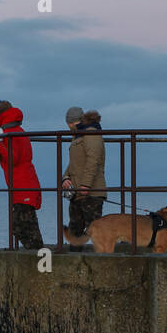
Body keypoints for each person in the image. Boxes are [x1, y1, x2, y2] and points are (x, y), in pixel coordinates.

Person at [0, 99, 44, 251]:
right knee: (25, 225)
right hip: (23, 185)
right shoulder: (16, 131)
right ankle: (37, 256)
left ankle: (38, 256)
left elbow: (13, 159)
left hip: (23, 185)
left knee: (22, 226)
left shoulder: (10, 133)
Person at [61, 107, 107, 249]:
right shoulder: (79, 135)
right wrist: (65, 177)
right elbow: (74, 163)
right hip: (78, 191)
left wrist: (86, 185)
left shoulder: (91, 134)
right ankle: (74, 260)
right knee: (75, 228)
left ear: (71, 123)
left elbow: (93, 160)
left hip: (91, 193)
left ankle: (102, 259)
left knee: (95, 229)